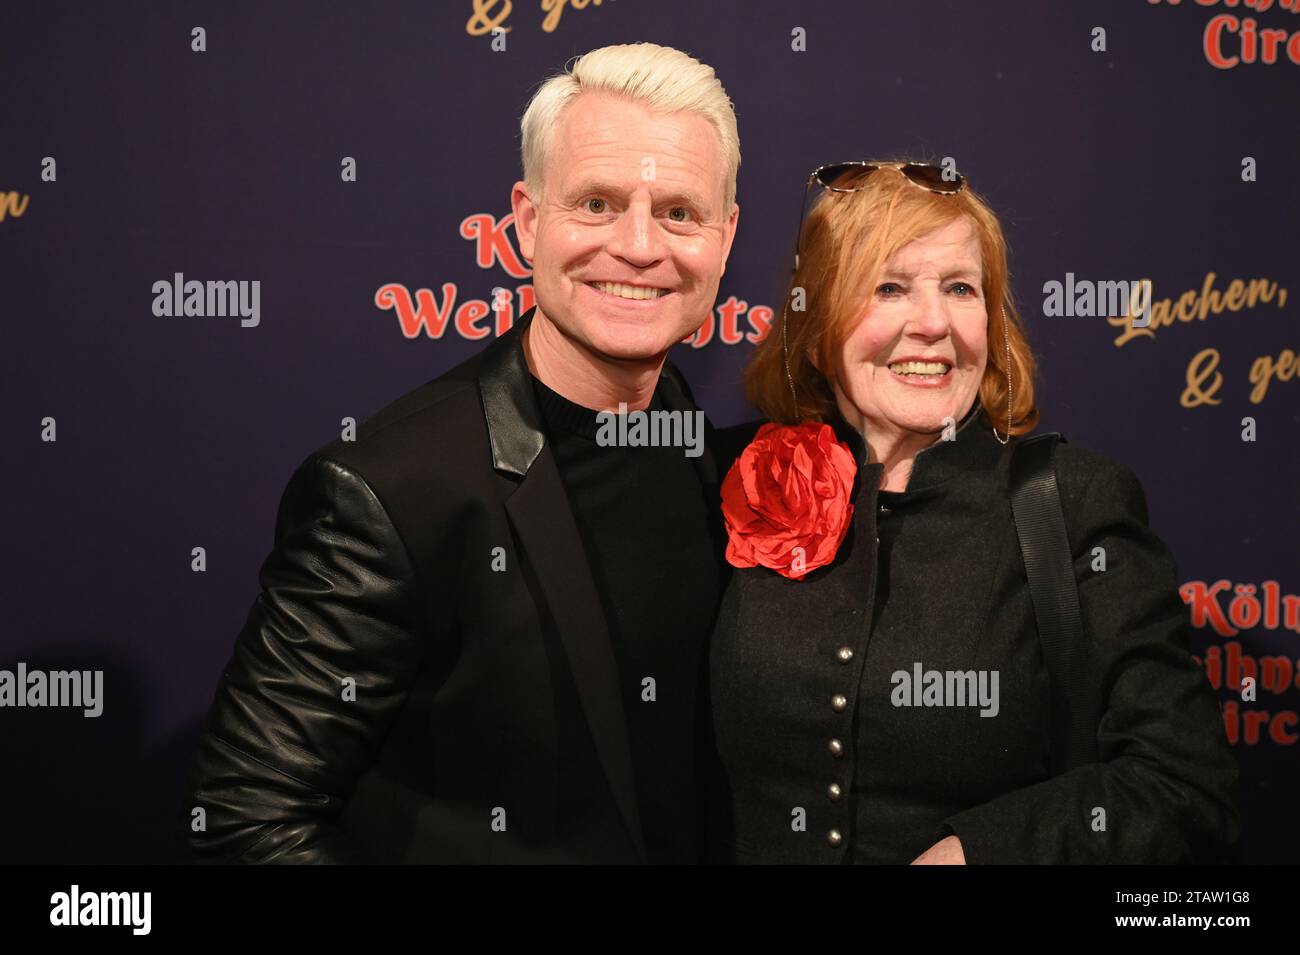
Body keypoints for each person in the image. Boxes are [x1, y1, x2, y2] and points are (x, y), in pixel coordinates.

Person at [177, 42, 741, 863]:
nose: (639, 245)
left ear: (726, 238)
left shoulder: (708, 444)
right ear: (527, 220)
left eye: (680, 212)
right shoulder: (389, 492)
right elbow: (245, 819)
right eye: (595, 203)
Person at [706, 161, 1240, 864]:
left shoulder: (1072, 503)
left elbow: (1183, 782)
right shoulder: (729, 475)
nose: (933, 323)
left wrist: (977, 854)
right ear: (816, 320)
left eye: (960, 288)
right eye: (888, 287)